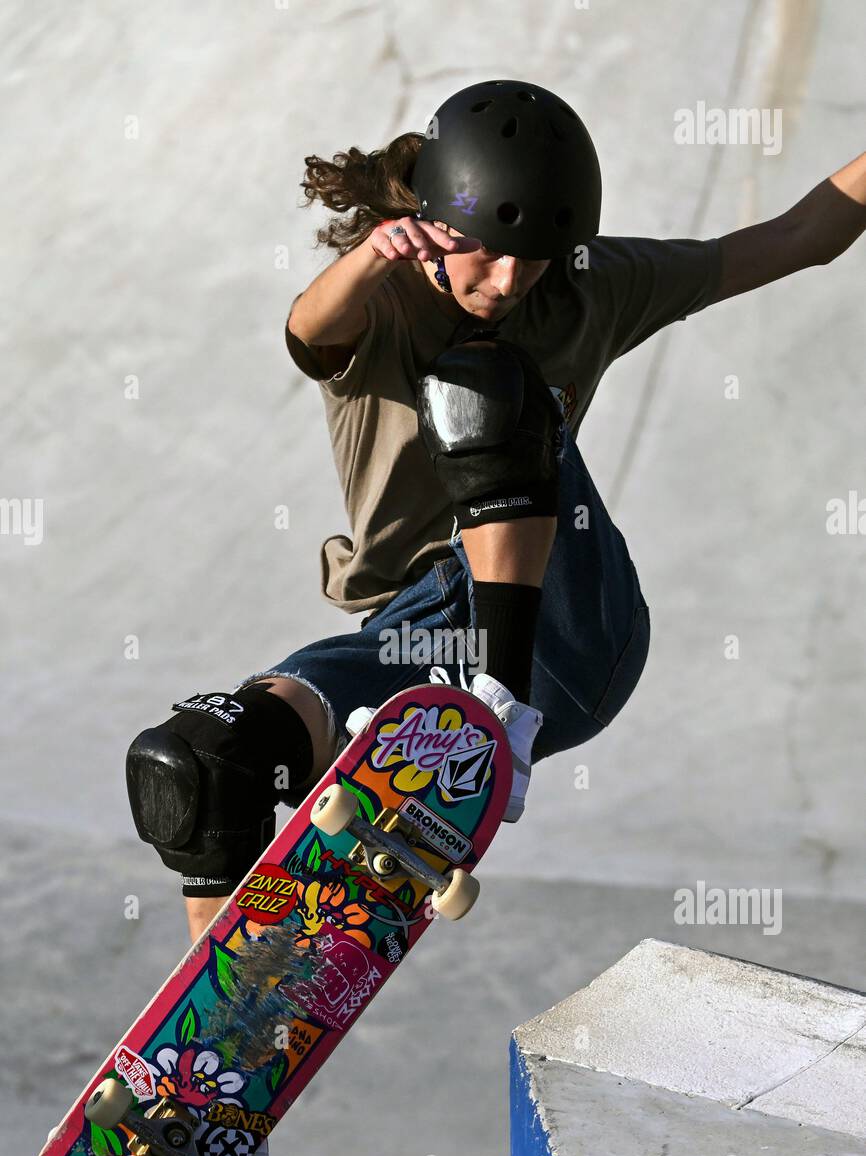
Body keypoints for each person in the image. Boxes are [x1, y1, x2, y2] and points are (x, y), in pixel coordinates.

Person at [127, 76, 866, 953]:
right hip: (416, 627)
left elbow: (800, 237)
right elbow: (305, 329)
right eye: (485, 251)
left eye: (537, 258)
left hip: (568, 628)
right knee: (207, 761)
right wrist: (369, 256)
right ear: (432, 225)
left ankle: (498, 711)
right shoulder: (386, 296)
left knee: (484, 388)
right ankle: (219, 1019)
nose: (510, 280)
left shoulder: (594, 287)